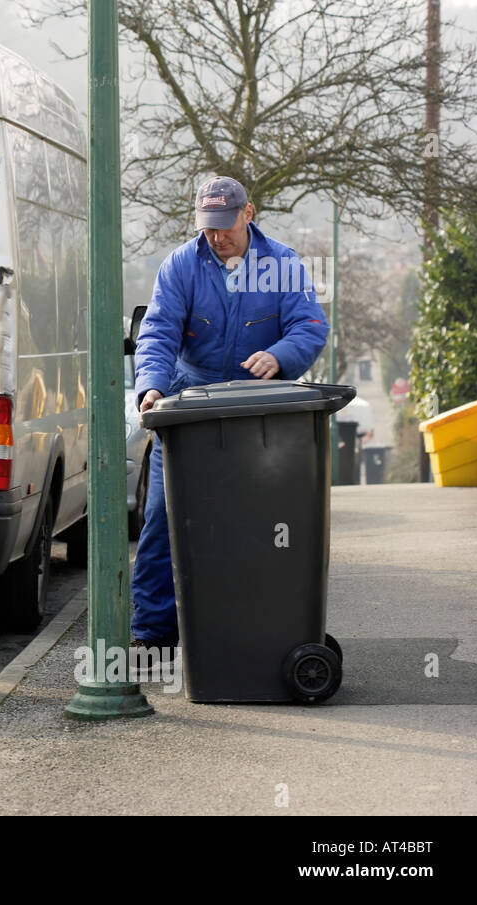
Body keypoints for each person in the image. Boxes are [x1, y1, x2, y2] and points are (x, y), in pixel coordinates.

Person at [131, 176, 330, 650]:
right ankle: (153, 633)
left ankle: (260, 622)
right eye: (208, 227)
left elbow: (310, 325)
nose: (217, 237)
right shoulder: (181, 264)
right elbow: (158, 332)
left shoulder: (282, 264)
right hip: (190, 413)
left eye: (225, 226)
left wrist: (281, 355)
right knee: (163, 515)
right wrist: (152, 388)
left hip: (258, 417)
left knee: (264, 521)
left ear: (249, 214)